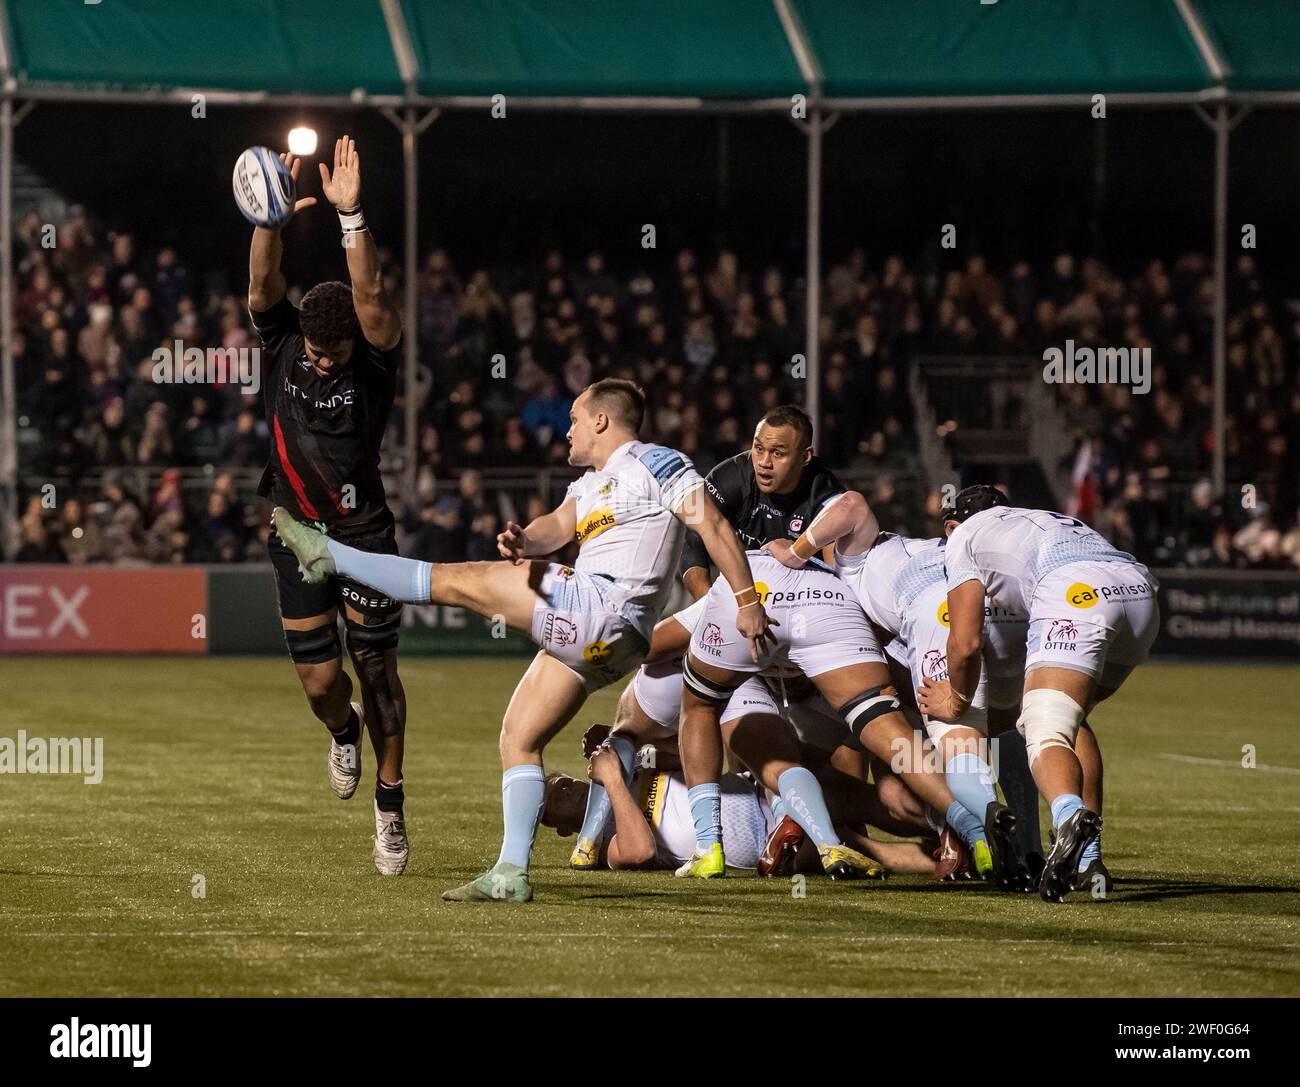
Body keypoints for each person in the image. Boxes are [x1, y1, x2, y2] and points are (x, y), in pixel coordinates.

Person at [273, 379, 772, 902]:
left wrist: (746, 600)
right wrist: (524, 540)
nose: (568, 428)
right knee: (518, 737)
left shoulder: (658, 463)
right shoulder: (588, 486)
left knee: (454, 580)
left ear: (602, 420)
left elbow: (712, 524)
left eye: (575, 418)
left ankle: (330, 555)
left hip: (601, 606)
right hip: (611, 647)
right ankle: (511, 873)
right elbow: (555, 528)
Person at [247, 138, 410, 875]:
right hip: (293, 531)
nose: (316, 359)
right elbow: (262, 282)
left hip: (364, 534)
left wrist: (351, 218)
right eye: (311, 350)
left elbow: (371, 297)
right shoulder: (288, 337)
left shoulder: (373, 358)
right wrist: (269, 213)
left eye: (327, 353)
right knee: (322, 684)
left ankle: (390, 803)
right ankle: (341, 731)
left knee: (377, 667)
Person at [676, 550, 995, 880]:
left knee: (705, 709)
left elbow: (654, 642)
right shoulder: (855, 563)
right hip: (828, 608)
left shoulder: (726, 574)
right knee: (880, 750)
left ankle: (715, 846)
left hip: (753, 614)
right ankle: (972, 828)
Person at [918, 486, 1160, 902]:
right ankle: (1089, 859)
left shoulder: (962, 538)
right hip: (1139, 591)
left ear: (952, 525)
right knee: (1073, 718)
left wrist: (956, 700)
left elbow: (965, 644)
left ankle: (1068, 816)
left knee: (1045, 729)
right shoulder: (1037, 518)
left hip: (1074, 591)